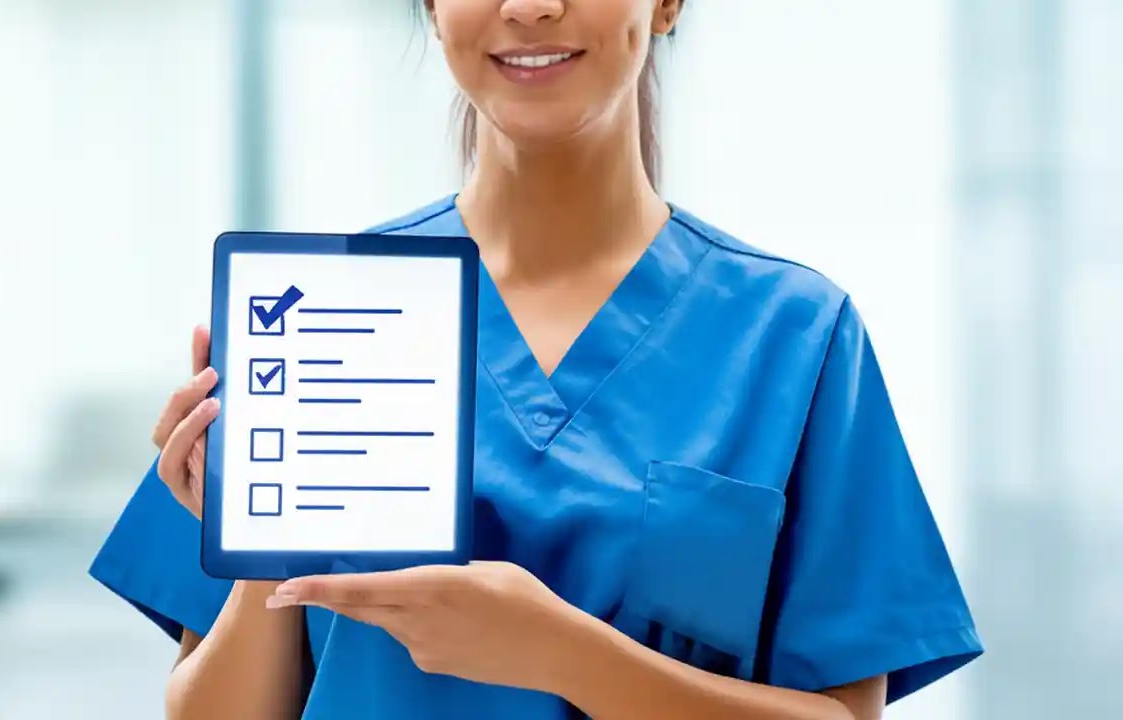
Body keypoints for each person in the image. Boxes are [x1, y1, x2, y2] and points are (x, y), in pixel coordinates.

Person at [89, 1, 983, 718]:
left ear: (668, 3)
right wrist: (266, 547)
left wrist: (560, 655)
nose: (530, 6)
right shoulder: (306, 315)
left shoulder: (794, 337)